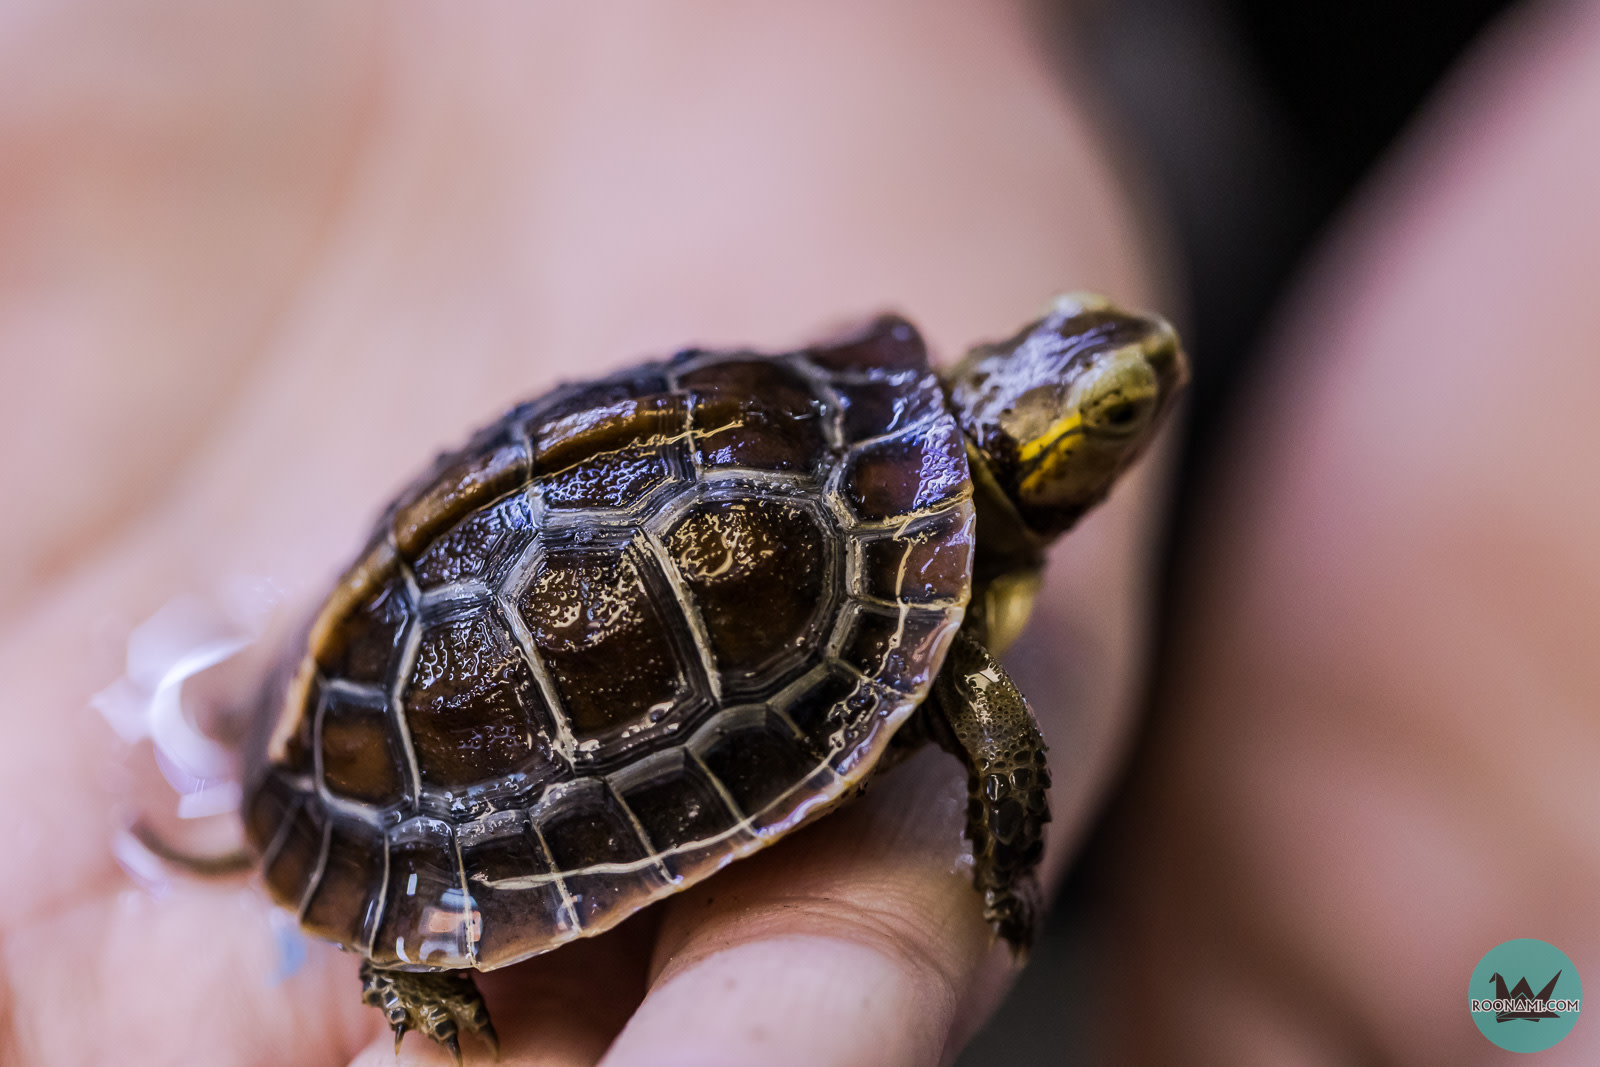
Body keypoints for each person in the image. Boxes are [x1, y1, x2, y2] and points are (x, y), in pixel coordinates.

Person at [0, 5, 1171, 1064]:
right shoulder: (907, 564)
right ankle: (405, 939)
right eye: (1113, 411)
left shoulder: (841, 422)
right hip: (402, 742)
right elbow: (990, 729)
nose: (1147, 386)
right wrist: (1008, 859)